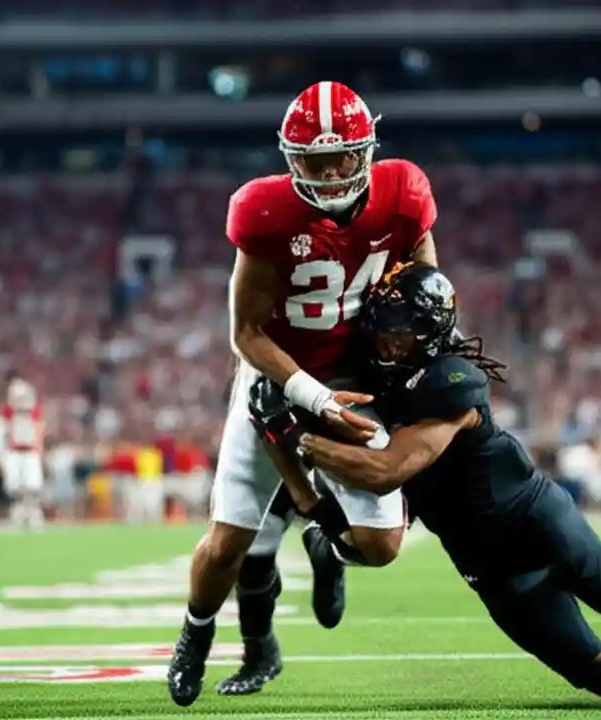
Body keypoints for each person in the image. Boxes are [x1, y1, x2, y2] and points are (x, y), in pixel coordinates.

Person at [250, 262, 601, 713]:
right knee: (600, 678)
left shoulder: (453, 377)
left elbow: (389, 469)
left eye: (398, 332)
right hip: (495, 575)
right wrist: (290, 414)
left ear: (427, 333)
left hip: (539, 522)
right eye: (381, 326)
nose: (385, 341)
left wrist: (301, 435)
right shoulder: (377, 371)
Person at [167, 80, 440, 706]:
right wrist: (311, 397)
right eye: (314, 159)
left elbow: (427, 295)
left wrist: (419, 368)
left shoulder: (404, 195)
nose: (330, 170)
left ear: (366, 149)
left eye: (342, 155)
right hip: (278, 376)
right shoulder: (265, 210)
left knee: (380, 546)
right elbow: (244, 333)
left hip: (362, 384)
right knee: (228, 540)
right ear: (290, 159)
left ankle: (324, 540)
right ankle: (196, 634)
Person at [0, 378, 46, 531]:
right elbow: (1, 432)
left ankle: (33, 513)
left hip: (30, 451)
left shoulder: (34, 412)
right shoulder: (7, 413)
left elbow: (38, 431)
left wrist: (39, 449)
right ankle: (19, 512)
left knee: (32, 485)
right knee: (15, 485)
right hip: (14, 452)